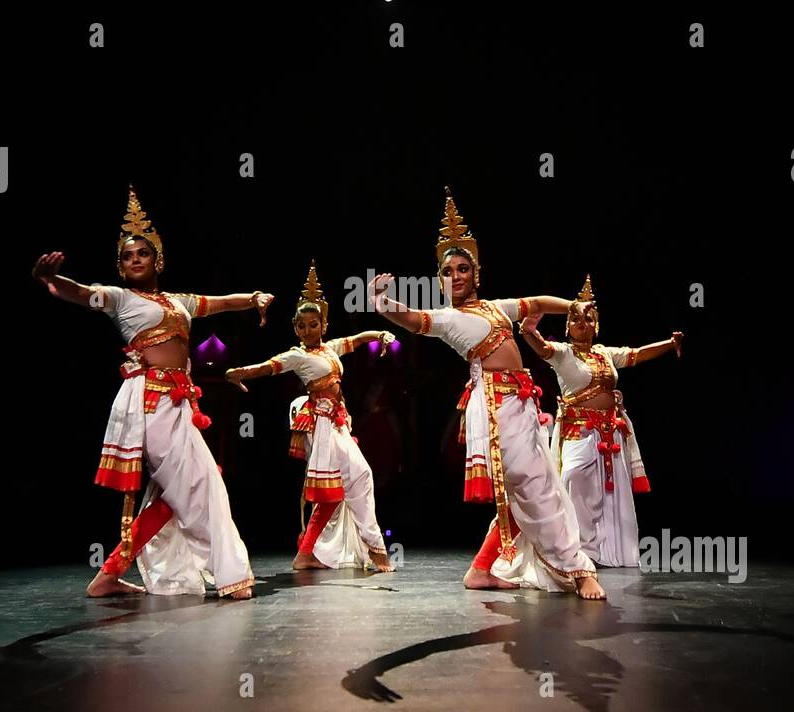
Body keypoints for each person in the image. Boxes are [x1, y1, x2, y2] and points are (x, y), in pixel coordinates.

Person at [32, 186, 273, 599]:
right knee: (198, 486)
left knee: (186, 487)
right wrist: (50, 278)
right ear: (120, 267)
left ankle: (109, 574)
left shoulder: (177, 301)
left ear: (157, 259)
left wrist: (252, 298)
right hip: (153, 403)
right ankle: (228, 572)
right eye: (127, 256)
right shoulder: (119, 299)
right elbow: (79, 292)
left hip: (181, 403)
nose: (135, 260)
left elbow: (219, 303)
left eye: (142, 253)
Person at [369, 189, 602, 596]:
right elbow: (408, 318)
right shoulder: (448, 318)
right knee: (532, 484)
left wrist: (574, 305)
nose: (455, 276)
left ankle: (481, 569)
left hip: (522, 404)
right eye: (447, 271)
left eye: (463, 268)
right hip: (497, 407)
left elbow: (536, 302)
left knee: (532, 486)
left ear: (476, 273)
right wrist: (381, 302)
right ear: (439, 280)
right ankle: (577, 570)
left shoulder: (497, 307)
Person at [226, 262, 396, 573]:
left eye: (313, 324)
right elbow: (268, 366)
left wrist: (381, 333)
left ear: (323, 325)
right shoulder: (298, 355)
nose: (307, 330)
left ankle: (306, 554)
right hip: (319, 426)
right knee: (359, 477)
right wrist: (240, 372)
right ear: (295, 327)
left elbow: (358, 339)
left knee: (339, 490)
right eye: (301, 325)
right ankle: (377, 551)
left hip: (337, 424)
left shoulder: (330, 349)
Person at [517, 275, 683, 569]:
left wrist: (669, 345)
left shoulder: (605, 354)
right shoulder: (563, 354)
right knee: (574, 478)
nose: (584, 324)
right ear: (567, 327)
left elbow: (637, 355)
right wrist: (529, 326)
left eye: (590, 319)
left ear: (597, 325)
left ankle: (610, 551)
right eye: (578, 319)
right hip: (579, 432)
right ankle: (578, 550)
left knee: (611, 493)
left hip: (611, 433)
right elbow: (539, 346)